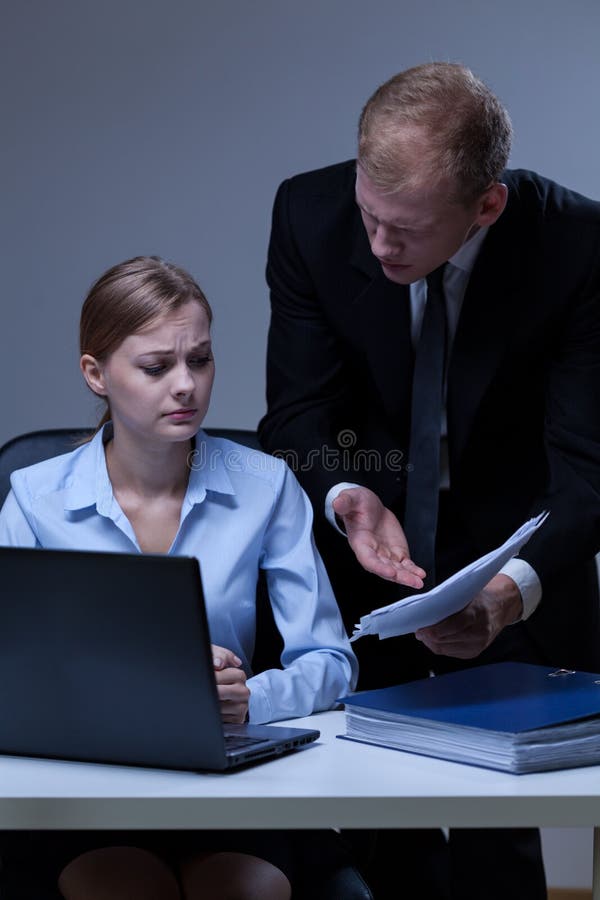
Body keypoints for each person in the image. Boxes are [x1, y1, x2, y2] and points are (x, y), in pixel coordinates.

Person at [258, 62, 600, 899]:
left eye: (406, 231)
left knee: (499, 852)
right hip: (363, 560)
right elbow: (298, 414)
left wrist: (507, 591)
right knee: (372, 839)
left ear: (487, 205)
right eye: (371, 217)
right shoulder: (310, 213)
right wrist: (347, 498)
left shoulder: (579, 247)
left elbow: (590, 466)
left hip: (519, 551)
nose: (379, 248)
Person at [0, 255, 359, 900]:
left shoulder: (265, 485)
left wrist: (252, 698)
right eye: (156, 367)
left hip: (231, 780)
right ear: (96, 374)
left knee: (241, 890)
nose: (186, 385)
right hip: (89, 782)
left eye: (200, 359)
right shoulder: (33, 497)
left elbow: (332, 661)